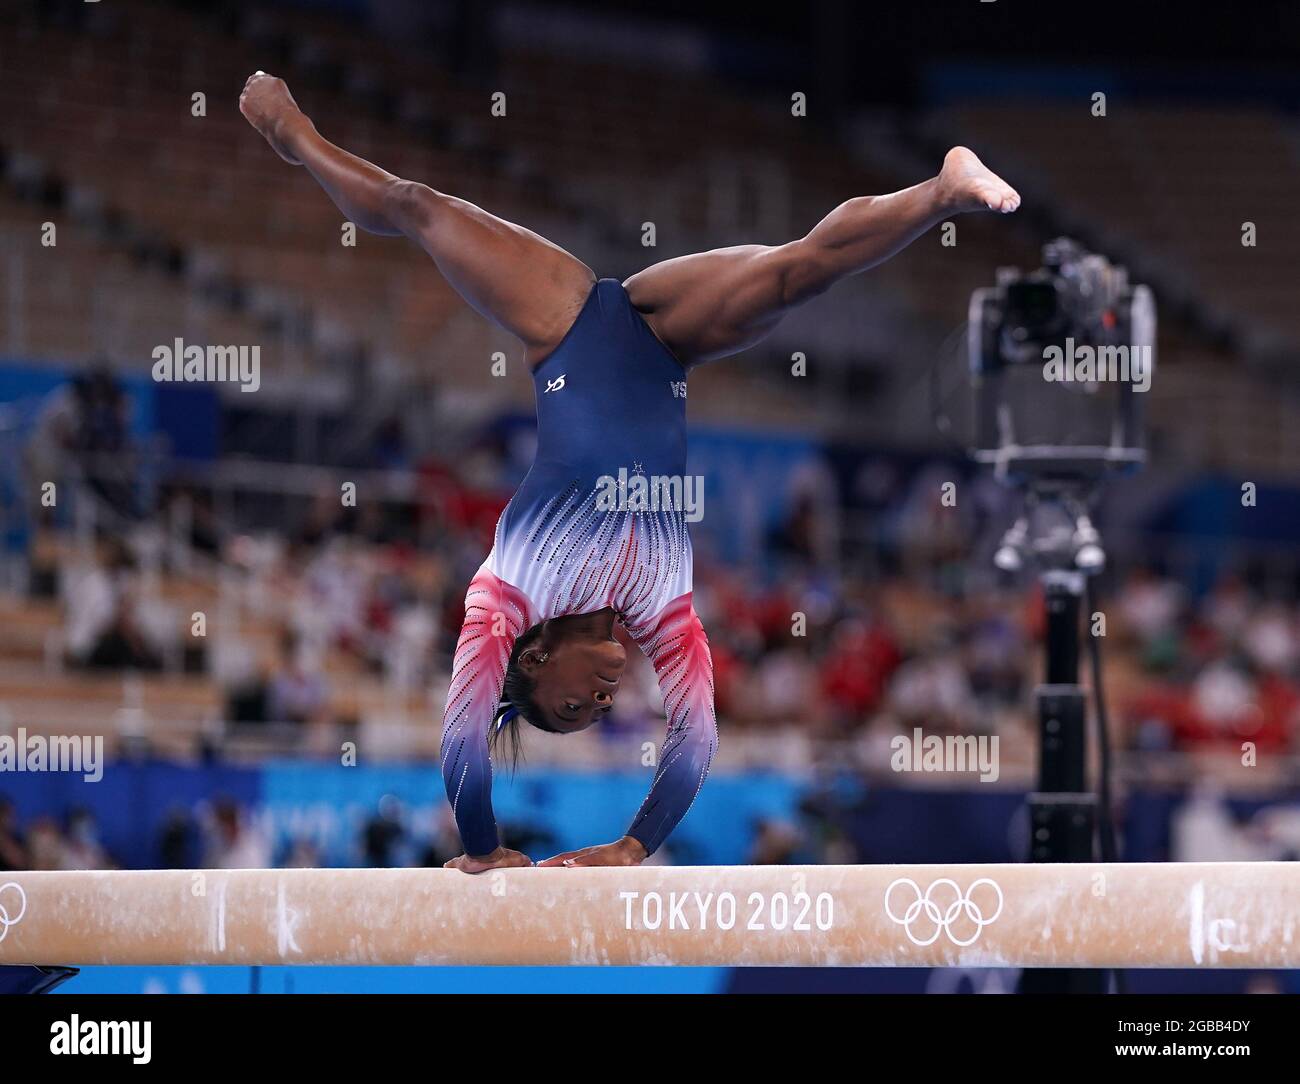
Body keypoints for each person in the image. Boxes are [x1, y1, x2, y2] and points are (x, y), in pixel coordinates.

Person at [239, 71, 1020, 872]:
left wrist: (481, 847)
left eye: (575, 705)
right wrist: (633, 847)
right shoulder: (659, 602)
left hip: (562, 326)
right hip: (662, 343)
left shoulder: (505, 598)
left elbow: (462, 739)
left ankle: (295, 135)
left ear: (535, 662)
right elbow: (698, 736)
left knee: (419, 206)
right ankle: (941, 191)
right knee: (796, 273)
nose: (605, 701)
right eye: (597, 713)